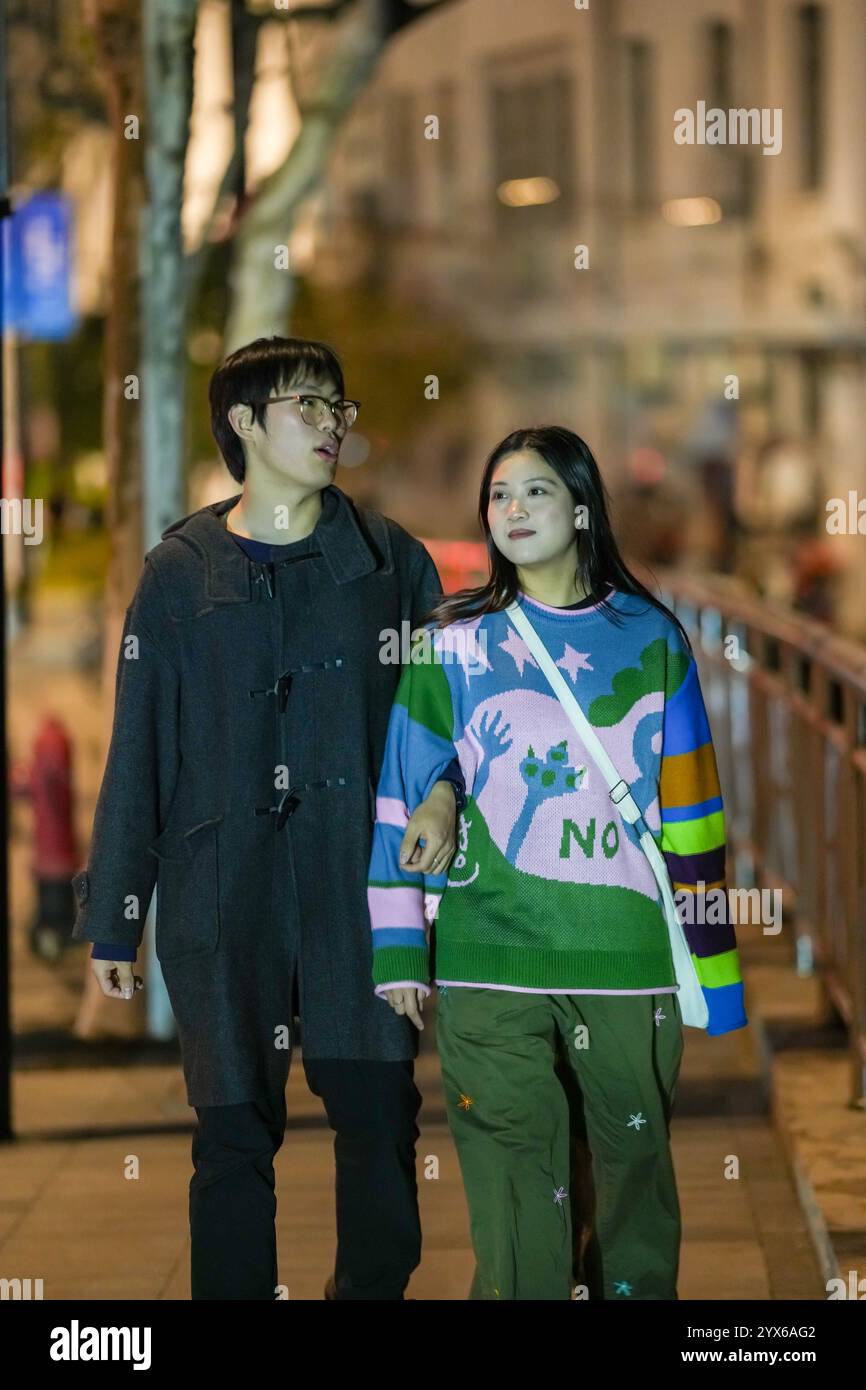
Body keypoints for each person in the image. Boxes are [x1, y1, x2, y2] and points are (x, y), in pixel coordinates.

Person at [71, 335, 466, 1300]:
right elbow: (140, 751)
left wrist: (445, 792)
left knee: (379, 1120)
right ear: (244, 425)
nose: (333, 426)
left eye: (340, 406)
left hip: (359, 890)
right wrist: (117, 912)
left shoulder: (388, 563)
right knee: (233, 1136)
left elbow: (447, 711)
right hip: (225, 888)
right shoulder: (179, 574)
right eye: (307, 406)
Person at [367, 425, 748, 1301]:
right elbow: (401, 794)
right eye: (499, 495)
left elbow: (693, 817)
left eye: (535, 491)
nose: (512, 509)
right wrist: (398, 951)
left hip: (626, 963)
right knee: (511, 1179)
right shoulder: (451, 644)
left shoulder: (652, 639)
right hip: (486, 954)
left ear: (581, 509)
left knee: (631, 1189)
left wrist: (716, 973)